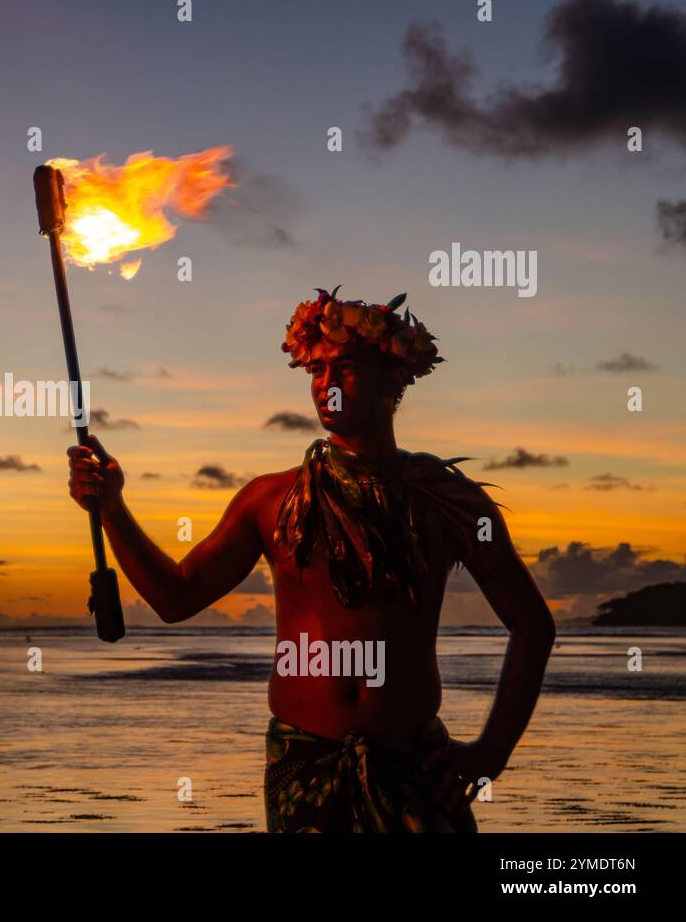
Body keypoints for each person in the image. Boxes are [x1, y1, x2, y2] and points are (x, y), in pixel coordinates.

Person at [67, 287, 555, 832]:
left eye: (346, 366)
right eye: (317, 370)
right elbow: (175, 598)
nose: (328, 384)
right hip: (306, 765)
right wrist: (111, 508)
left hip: (416, 765)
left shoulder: (444, 500)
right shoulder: (270, 499)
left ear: (395, 378)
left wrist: (491, 753)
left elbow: (533, 624)